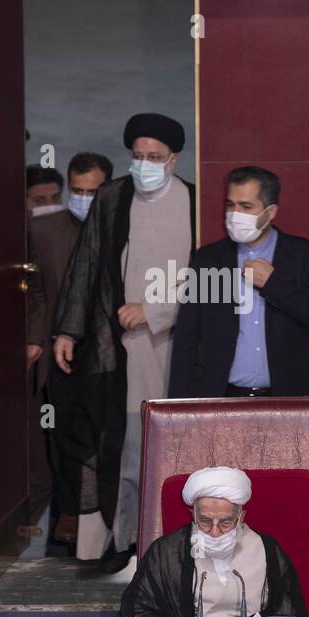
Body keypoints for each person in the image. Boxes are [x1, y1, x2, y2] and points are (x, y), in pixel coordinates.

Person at [51, 113, 195, 571]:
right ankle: (110, 547)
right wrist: (69, 330)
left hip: (174, 345)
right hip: (116, 345)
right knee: (117, 444)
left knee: (164, 447)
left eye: (155, 157)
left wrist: (154, 312)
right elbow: (86, 266)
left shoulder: (194, 200)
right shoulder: (113, 197)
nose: (145, 165)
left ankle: (162, 547)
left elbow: (207, 280)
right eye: (137, 156)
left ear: (174, 159)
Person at [168, 165, 309, 399]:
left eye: (246, 207)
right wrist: (180, 404)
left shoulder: (306, 256)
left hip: (289, 399)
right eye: (230, 205)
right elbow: (187, 334)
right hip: (221, 397)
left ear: (270, 212)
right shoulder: (208, 258)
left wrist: (273, 283)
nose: (235, 215)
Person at [27, 153, 111, 550]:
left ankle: (109, 520)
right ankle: (70, 514)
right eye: (76, 191)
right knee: (63, 435)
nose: (83, 199)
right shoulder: (44, 230)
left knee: (110, 436)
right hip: (63, 352)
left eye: (91, 192)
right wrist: (35, 339)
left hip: (115, 352)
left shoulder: (123, 228)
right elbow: (39, 293)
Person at [118, 467, 307, 617]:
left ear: (241, 517)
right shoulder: (167, 551)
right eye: (205, 521)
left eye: (226, 522)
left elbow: (288, 613)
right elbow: (138, 610)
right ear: (193, 515)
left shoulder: (268, 550)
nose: (215, 531)